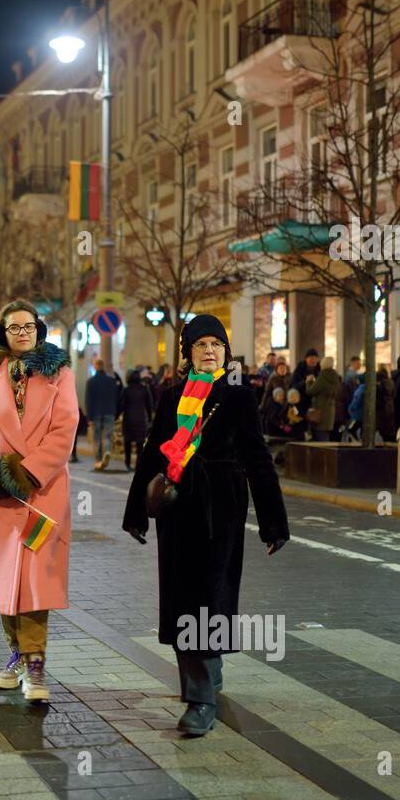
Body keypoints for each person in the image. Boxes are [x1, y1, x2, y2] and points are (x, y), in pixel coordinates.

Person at [123, 315, 288, 737]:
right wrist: (137, 512)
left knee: (209, 595)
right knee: (181, 596)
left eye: (217, 344)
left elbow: (258, 459)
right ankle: (203, 679)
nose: (210, 351)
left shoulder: (238, 397)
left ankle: (201, 700)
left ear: (225, 352)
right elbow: (152, 458)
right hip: (178, 510)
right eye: (201, 345)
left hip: (222, 509)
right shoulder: (172, 396)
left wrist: (273, 523)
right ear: (188, 352)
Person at [0, 300, 77, 703]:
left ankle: (35, 664)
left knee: (34, 584)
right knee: (4, 583)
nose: (23, 333)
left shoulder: (58, 373)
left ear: (38, 330)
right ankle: (16, 654)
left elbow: (65, 428)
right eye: (15, 328)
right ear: (3, 333)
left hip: (40, 492)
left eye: (29, 326)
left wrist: (29, 471)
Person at [84, 358, 119, 470]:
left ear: (95, 367)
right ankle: (107, 451)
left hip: (96, 413)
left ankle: (98, 460)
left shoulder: (90, 382)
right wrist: (115, 412)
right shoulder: (112, 381)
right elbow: (117, 397)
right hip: (110, 412)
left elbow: (88, 400)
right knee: (108, 435)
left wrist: (89, 417)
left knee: (97, 437)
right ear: (103, 367)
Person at [119, 367, 155, 471]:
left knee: (128, 442)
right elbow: (149, 405)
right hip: (141, 419)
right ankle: (138, 464)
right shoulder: (144, 389)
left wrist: (117, 414)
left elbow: (121, 405)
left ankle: (127, 463)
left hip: (128, 419)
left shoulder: (126, 390)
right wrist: (149, 418)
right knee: (140, 444)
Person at [305, 356, 341, 441]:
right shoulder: (335, 376)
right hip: (330, 411)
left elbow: (311, 391)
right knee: (325, 438)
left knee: (320, 439)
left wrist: (309, 382)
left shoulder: (323, 376)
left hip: (320, 411)